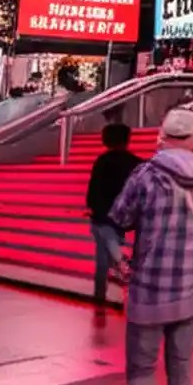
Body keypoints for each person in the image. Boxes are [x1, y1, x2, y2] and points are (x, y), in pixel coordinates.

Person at [108, 108, 193, 385]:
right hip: (191, 286)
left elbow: (120, 217)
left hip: (149, 288)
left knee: (142, 369)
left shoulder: (145, 173)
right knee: (181, 367)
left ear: (162, 135)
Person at [84, 122, 141, 310]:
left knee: (102, 254)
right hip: (125, 217)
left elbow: (94, 189)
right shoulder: (136, 163)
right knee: (108, 244)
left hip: (103, 214)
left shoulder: (102, 161)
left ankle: (101, 292)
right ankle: (119, 259)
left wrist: (93, 207)